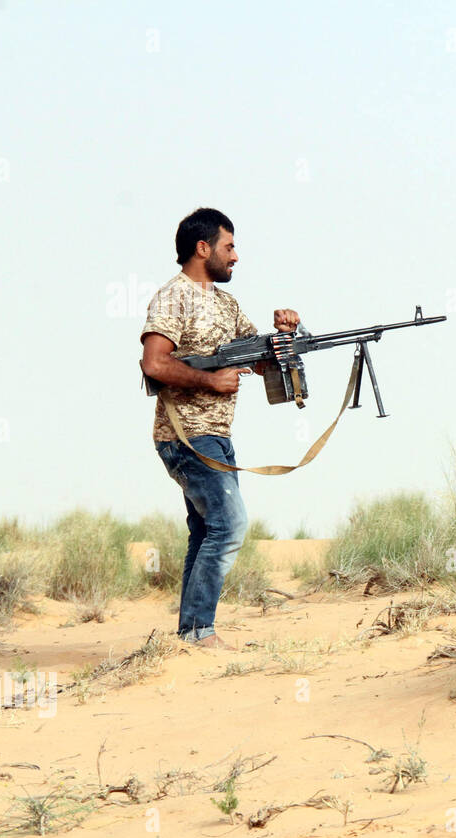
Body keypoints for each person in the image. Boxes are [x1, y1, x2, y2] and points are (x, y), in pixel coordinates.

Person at [138, 208, 299, 649]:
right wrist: (210, 380)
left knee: (206, 531)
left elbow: (261, 356)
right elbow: (154, 363)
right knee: (230, 526)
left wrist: (286, 333)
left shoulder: (225, 303)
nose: (236, 256)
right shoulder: (173, 297)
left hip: (217, 436)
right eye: (229, 247)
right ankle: (199, 633)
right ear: (202, 248)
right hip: (185, 437)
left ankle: (190, 633)